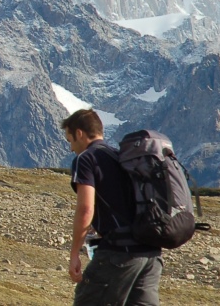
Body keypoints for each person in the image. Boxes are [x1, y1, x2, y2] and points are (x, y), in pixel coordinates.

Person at [62, 109, 162, 305]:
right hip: (150, 253)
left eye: (70, 141)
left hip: (119, 252)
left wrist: (74, 254)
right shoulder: (122, 158)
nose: (71, 148)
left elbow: (85, 209)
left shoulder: (86, 159)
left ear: (79, 134)